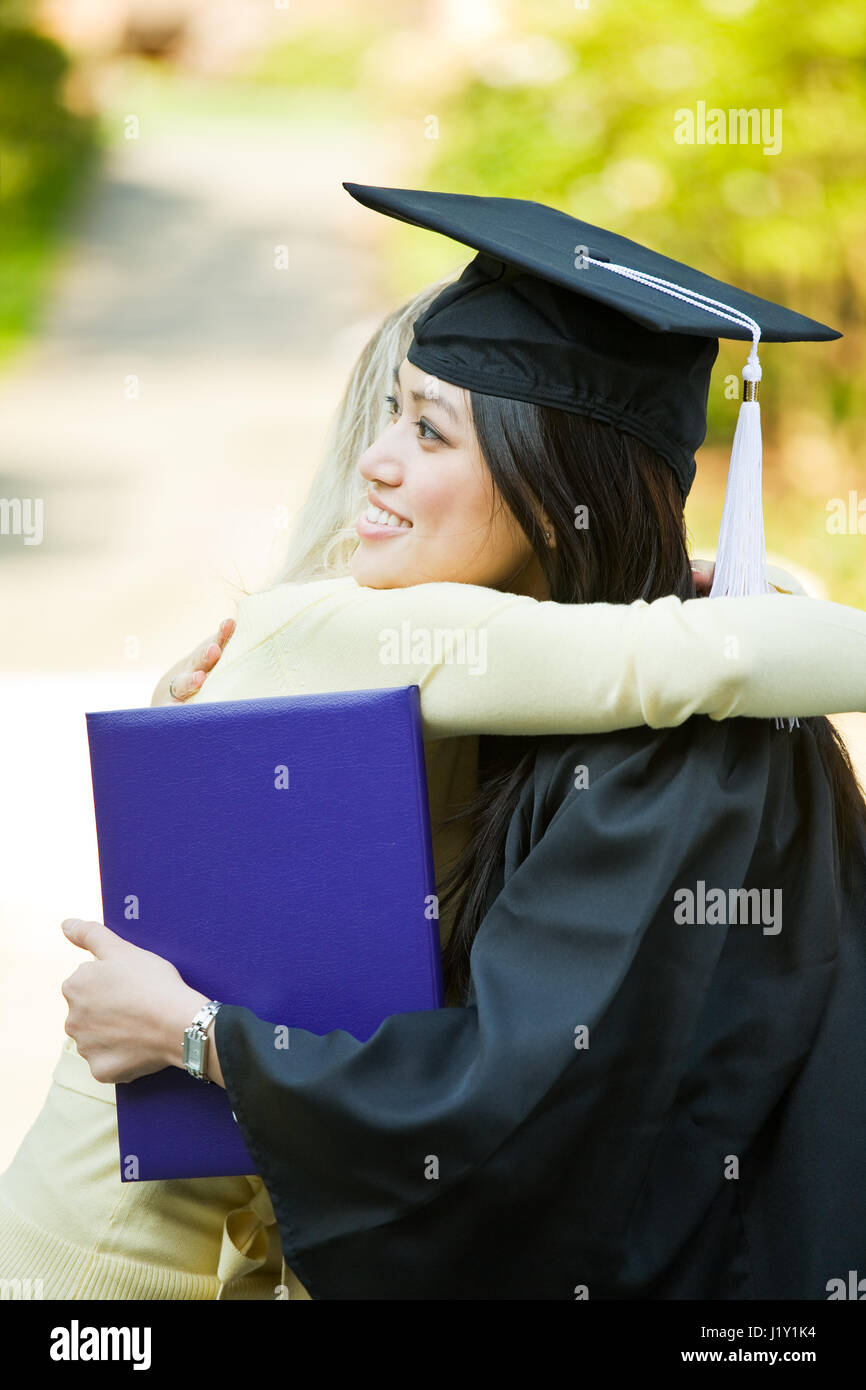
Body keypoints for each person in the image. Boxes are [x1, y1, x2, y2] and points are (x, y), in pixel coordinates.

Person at [59, 185, 866, 1299]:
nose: (373, 464)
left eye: (428, 427)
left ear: (554, 488)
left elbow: (523, 1108)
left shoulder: (635, 749)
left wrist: (206, 1041)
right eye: (390, 411)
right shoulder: (355, 639)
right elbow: (677, 656)